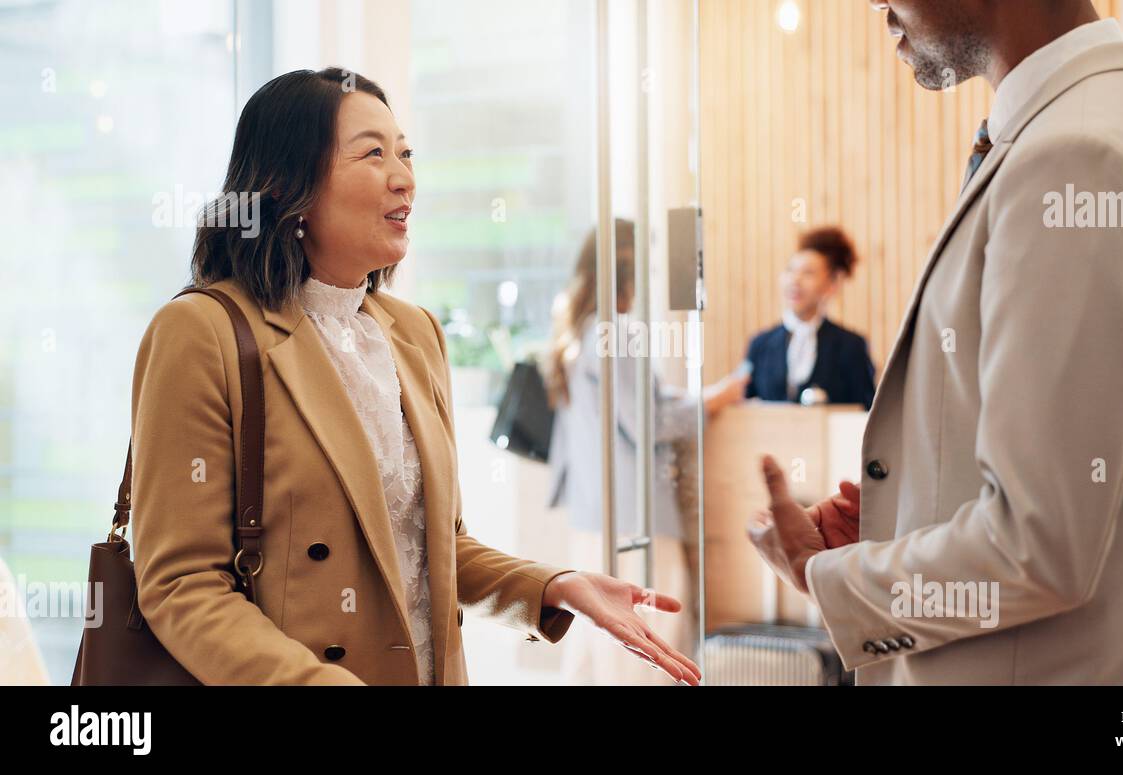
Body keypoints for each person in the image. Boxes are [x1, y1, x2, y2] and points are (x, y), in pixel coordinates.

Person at [130, 68, 701, 686]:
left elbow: (435, 547)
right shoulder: (201, 332)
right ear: (289, 185)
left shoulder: (414, 334)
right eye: (373, 154)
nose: (404, 177)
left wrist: (555, 585)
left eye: (405, 153)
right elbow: (181, 584)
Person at [748, 2, 1123, 685]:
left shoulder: (1079, 156)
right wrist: (917, 503)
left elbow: (1039, 547)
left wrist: (831, 576)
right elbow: (1109, 473)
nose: (875, 3)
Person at [544, 219, 746, 685]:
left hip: (595, 513)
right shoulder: (619, 335)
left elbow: (633, 409)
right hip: (638, 517)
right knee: (652, 635)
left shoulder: (579, 331)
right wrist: (712, 401)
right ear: (628, 273)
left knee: (596, 639)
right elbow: (648, 423)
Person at [743, 226, 877, 408]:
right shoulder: (760, 344)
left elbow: (866, 410)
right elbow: (745, 402)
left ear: (831, 285)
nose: (795, 280)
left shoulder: (851, 346)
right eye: (790, 270)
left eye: (808, 273)